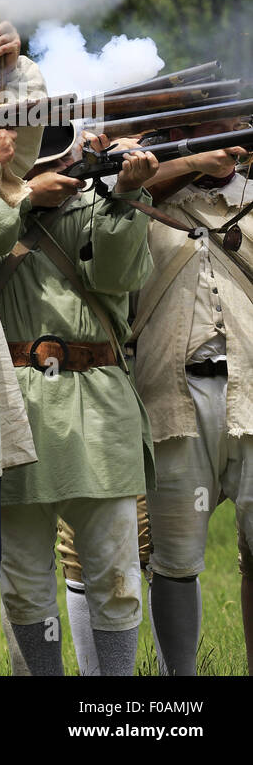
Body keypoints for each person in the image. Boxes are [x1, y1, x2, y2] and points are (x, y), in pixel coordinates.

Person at [0, 127, 159, 676]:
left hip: (98, 396)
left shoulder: (99, 204)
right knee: (24, 581)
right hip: (11, 405)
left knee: (115, 573)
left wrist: (127, 194)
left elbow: (119, 274)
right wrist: (27, 199)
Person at [129, 121, 253, 675]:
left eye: (240, 131)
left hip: (250, 393)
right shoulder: (134, 202)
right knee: (176, 561)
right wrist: (184, 166)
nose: (234, 142)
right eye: (219, 130)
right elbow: (101, 193)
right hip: (175, 397)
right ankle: (181, 690)